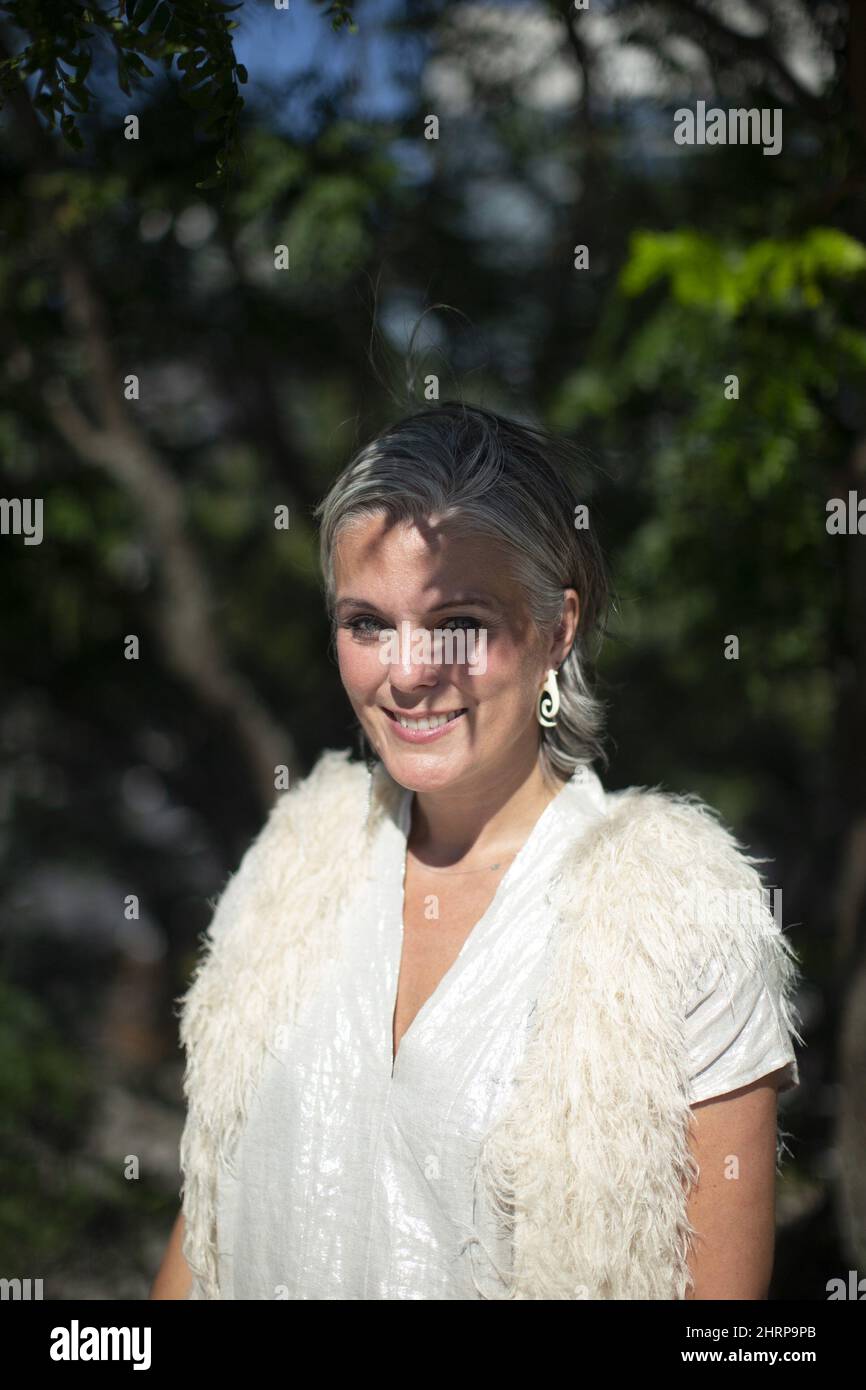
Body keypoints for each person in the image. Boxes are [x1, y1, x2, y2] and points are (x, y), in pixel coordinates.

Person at [150, 400, 803, 1301]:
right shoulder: (290, 867)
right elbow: (206, 1232)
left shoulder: (677, 913)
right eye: (367, 622)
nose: (408, 670)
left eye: (458, 618)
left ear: (556, 628)